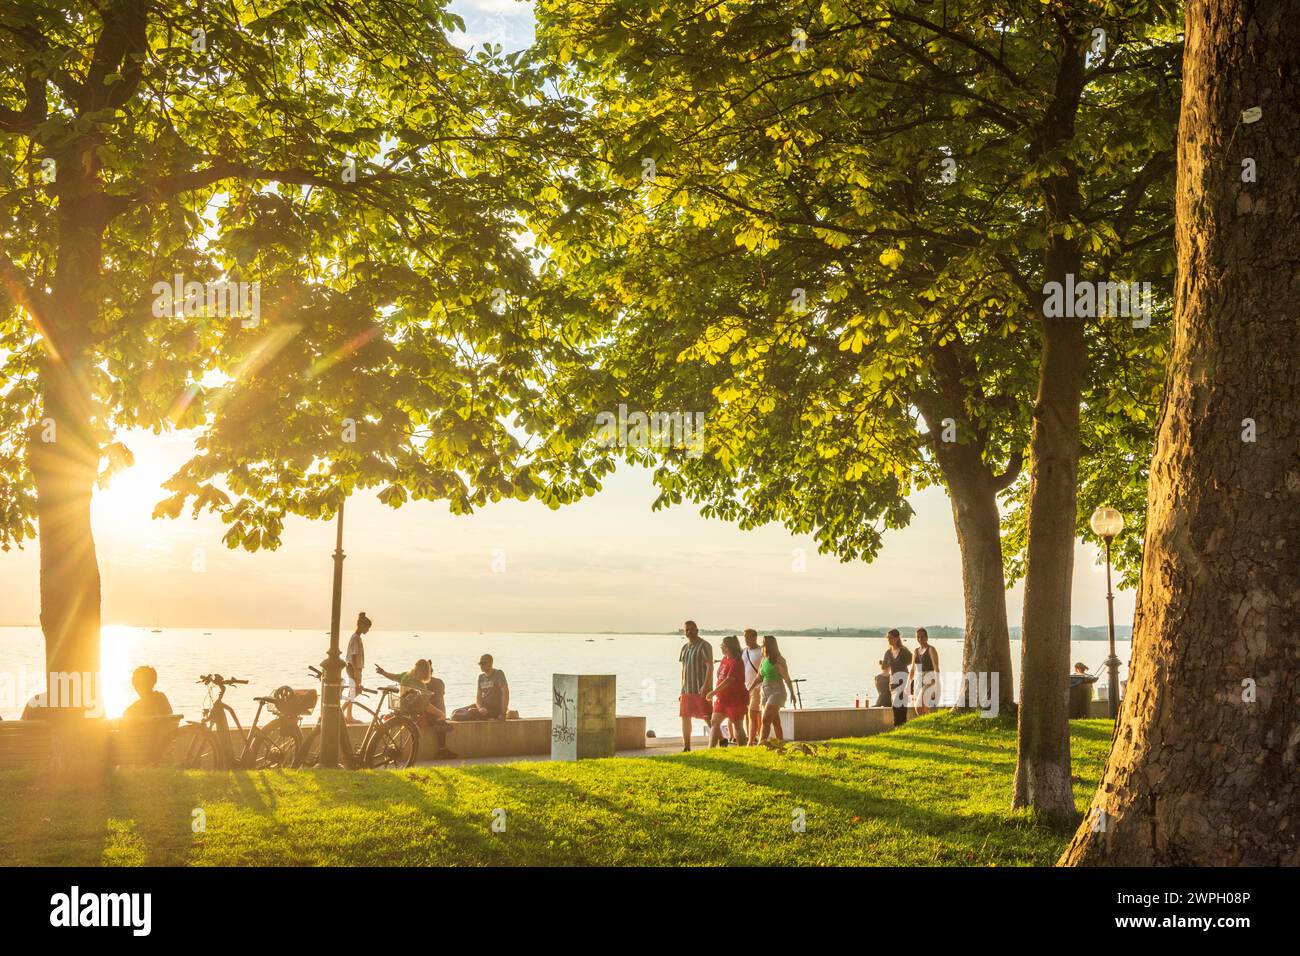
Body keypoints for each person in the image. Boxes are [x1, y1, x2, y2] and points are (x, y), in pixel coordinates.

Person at [376, 659, 456, 757]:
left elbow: (393, 677)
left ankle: (442, 749)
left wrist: (383, 672)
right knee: (441, 715)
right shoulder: (421, 684)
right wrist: (440, 713)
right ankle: (442, 749)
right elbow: (425, 705)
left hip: (401, 708)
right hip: (413, 711)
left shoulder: (405, 675)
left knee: (438, 713)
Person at [706, 636, 749, 748]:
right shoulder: (725, 659)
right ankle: (711, 749)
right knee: (714, 722)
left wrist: (714, 692)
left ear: (729, 647)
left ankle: (742, 749)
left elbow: (729, 680)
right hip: (722, 699)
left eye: (723, 645)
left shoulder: (737, 662)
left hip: (736, 699)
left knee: (737, 725)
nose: (721, 647)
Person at [678, 620, 713, 751]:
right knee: (685, 717)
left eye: (692, 629)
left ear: (697, 630)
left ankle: (721, 740)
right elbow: (684, 669)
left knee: (707, 716)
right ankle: (687, 747)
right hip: (687, 689)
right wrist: (681, 689)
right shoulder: (685, 648)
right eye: (687, 630)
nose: (689, 632)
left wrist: (706, 686)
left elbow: (710, 667)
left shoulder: (704, 645)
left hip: (700, 688)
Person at [757, 635, 796, 744]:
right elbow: (759, 677)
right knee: (775, 721)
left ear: (769, 645)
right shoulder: (764, 659)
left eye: (764, 643)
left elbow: (787, 678)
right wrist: (749, 689)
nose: (762, 645)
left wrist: (793, 693)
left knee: (765, 720)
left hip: (777, 691)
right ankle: (780, 743)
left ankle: (761, 744)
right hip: (765, 691)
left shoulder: (779, 660)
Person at [452, 654, 510, 721]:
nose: (481, 666)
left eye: (483, 663)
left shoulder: (498, 674)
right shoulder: (481, 677)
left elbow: (505, 692)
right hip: (483, 707)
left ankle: (488, 717)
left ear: (491, 663)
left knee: (471, 712)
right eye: (480, 664)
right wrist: (480, 708)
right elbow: (478, 697)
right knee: (455, 712)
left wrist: (503, 713)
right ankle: (483, 716)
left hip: (494, 709)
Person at [343, 611, 372, 724]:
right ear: (361, 625)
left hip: (354, 668)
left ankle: (348, 715)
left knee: (353, 691)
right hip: (353, 668)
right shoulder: (355, 638)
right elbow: (354, 656)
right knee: (354, 691)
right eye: (367, 627)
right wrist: (356, 672)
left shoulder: (356, 637)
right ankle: (345, 713)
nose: (368, 630)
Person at [883, 629, 912, 727]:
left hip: (904, 680)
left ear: (897, 638)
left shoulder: (904, 651)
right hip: (893, 682)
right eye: (888, 638)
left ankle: (902, 726)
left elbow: (912, 662)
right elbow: (885, 668)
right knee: (895, 705)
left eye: (891, 638)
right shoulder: (888, 652)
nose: (889, 640)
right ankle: (898, 727)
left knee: (902, 705)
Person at [741, 628, 764, 745]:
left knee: (755, 714)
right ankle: (750, 736)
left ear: (755, 637)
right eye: (745, 637)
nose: (747, 639)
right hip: (746, 687)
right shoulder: (744, 651)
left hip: (757, 687)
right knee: (747, 714)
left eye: (749, 637)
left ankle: (756, 738)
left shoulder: (761, 651)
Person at [909, 627, 939, 715]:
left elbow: (936, 667)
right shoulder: (916, 651)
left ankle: (929, 721)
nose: (920, 639)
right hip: (918, 681)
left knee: (919, 706)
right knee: (920, 708)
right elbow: (912, 669)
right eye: (918, 637)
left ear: (926, 637)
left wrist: (937, 684)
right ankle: (928, 724)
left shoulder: (931, 649)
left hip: (929, 680)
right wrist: (907, 685)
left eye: (922, 637)